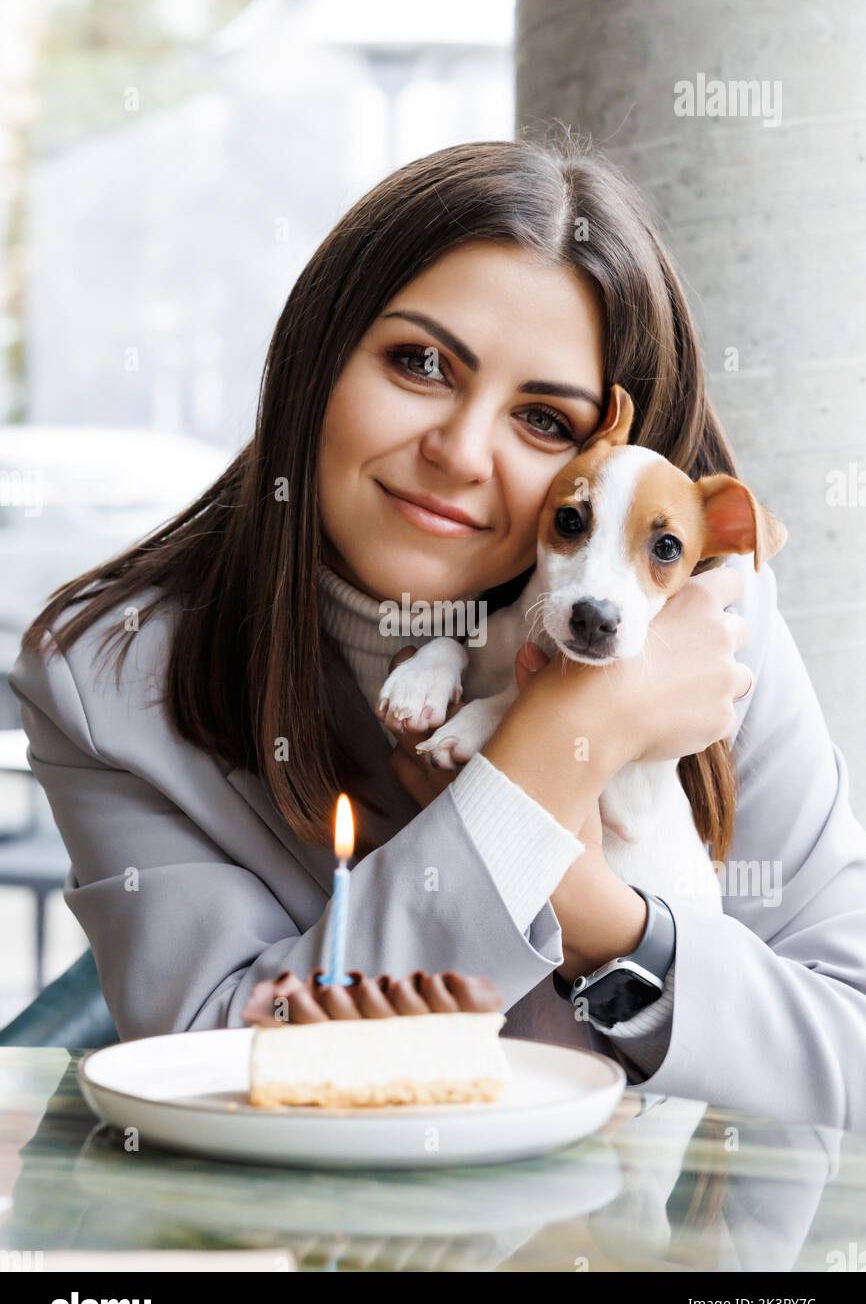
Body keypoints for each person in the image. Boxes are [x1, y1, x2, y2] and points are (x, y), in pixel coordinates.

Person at [10, 138, 866, 1129]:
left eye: (543, 421)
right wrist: (548, 753)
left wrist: (604, 922)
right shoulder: (107, 681)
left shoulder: (699, 627)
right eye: (418, 363)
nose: (457, 452)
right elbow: (228, 1068)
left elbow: (847, 1051)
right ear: (316, 355)